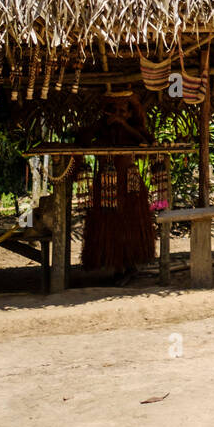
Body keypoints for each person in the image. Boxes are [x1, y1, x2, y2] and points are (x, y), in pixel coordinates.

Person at [79, 93, 157, 285]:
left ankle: (129, 265)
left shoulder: (135, 130)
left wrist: (124, 125)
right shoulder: (102, 129)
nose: (117, 114)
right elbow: (82, 141)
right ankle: (115, 265)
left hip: (129, 185)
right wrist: (102, 122)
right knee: (108, 223)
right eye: (113, 110)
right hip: (105, 184)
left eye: (122, 111)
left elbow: (148, 144)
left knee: (128, 223)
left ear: (130, 113)